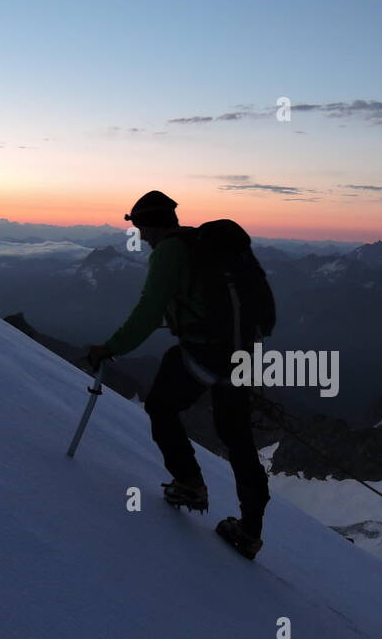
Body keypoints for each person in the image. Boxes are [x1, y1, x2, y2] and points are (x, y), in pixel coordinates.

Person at [86, 191, 270, 558]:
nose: (139, 235)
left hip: (204, 352)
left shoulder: (169, 252)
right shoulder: (199, 245)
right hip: (241, 353)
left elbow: (148, 310)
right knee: (238, 441)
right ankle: (250, 530)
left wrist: (111, 347)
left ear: (148, 225)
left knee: (160, 407)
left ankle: (189, 483)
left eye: (139, 226)